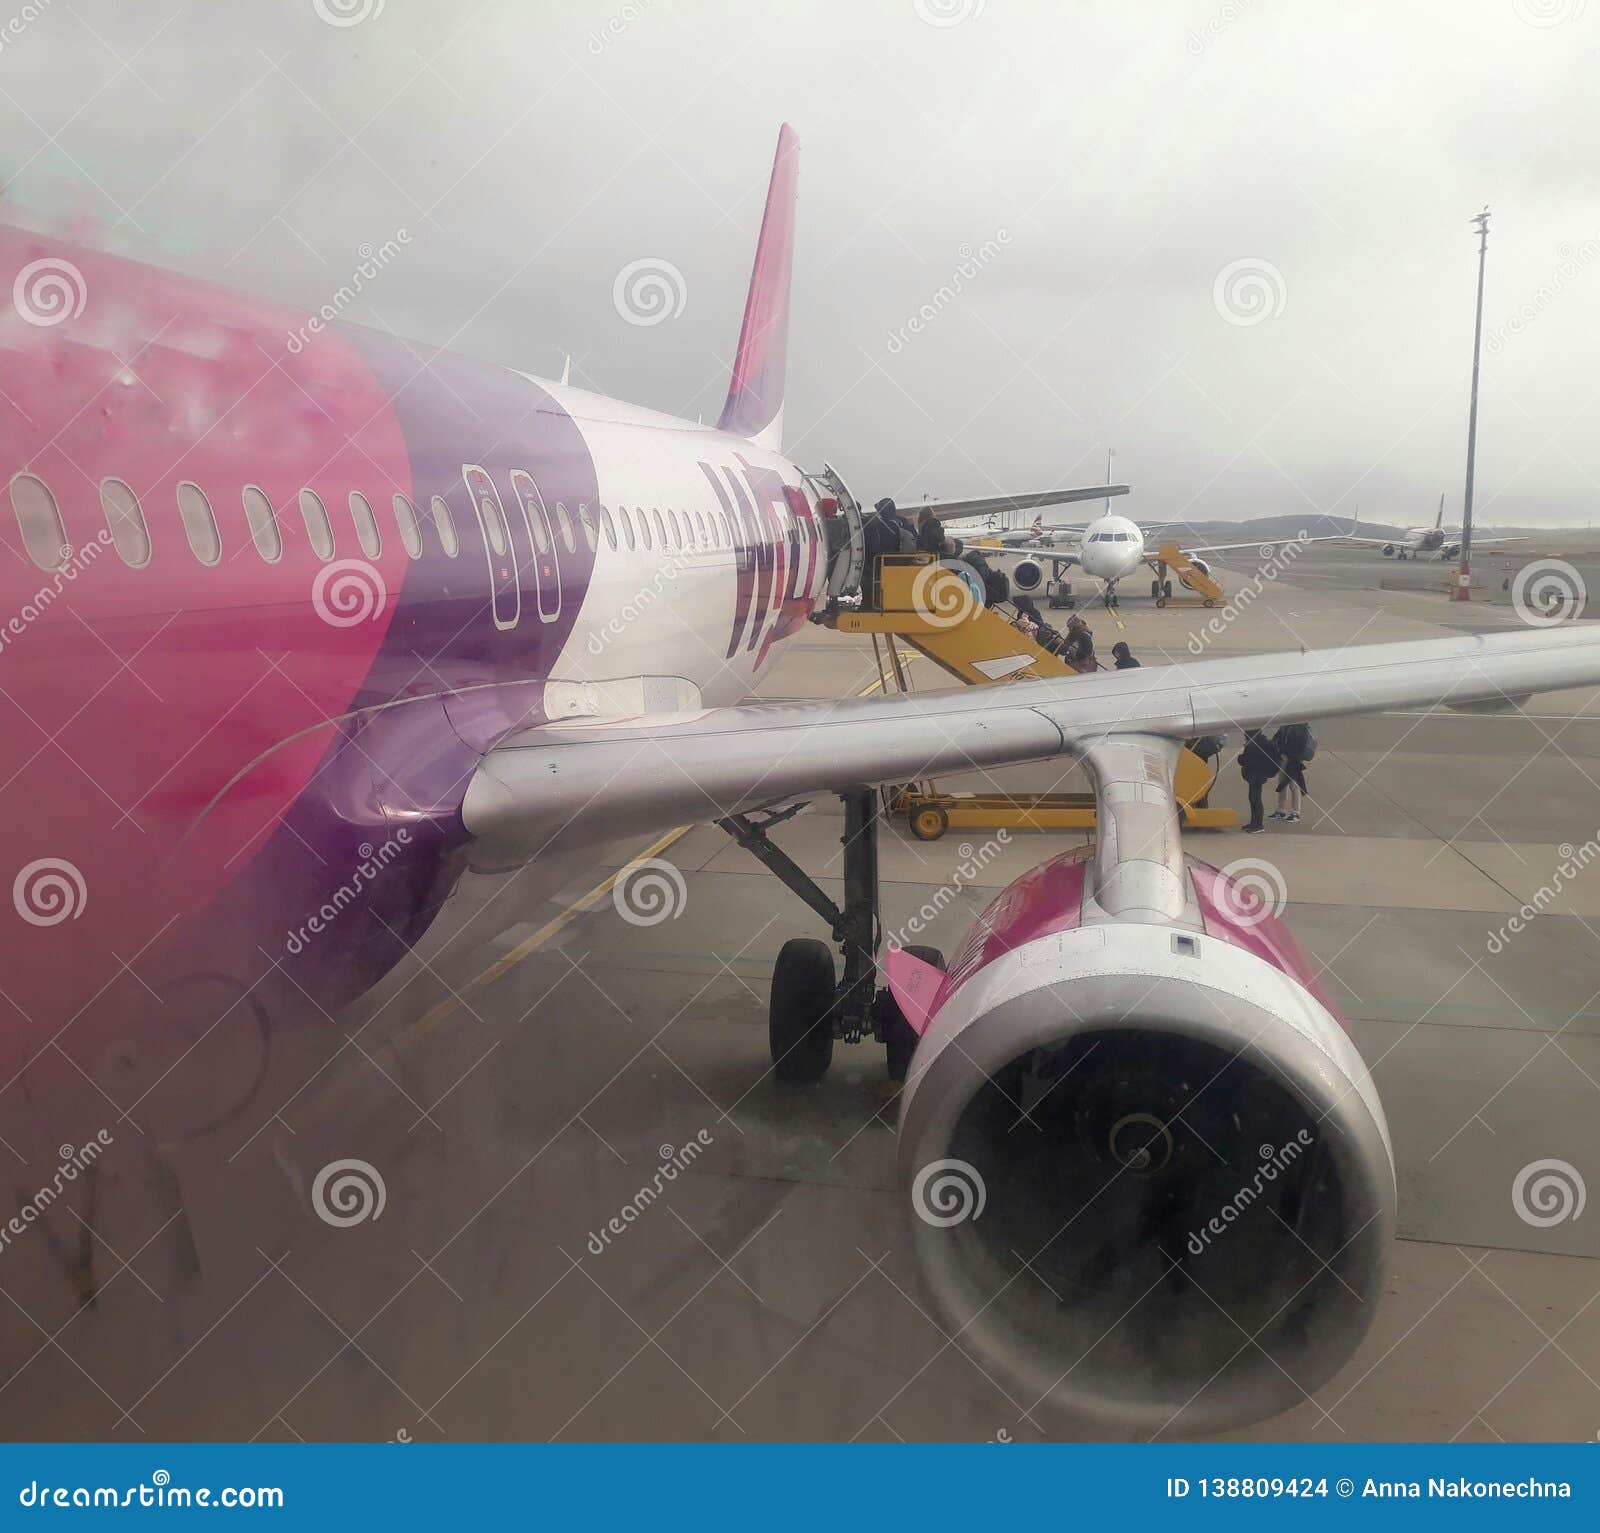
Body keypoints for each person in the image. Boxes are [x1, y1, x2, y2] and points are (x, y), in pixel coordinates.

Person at [1236, 728, 1281, 833]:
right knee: (1254, 798)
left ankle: (1258, 825)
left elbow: (1246, 759)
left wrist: (1240, 758)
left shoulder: (1253, 745)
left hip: (1256, 775)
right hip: (1259, 774)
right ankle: (1254, 823)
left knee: (1255, 799)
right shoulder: (1261, 741)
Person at [1270, 721, 1315, 823]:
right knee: (1282, 783)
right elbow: (1277, 739)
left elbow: (1301, 745)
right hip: (1283, 757)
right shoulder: (1285, 726)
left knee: (1293, 784)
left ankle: (1296, 812)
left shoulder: (1301, 728)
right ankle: (1280, 810)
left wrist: (1293, 757)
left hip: (1294, 759)